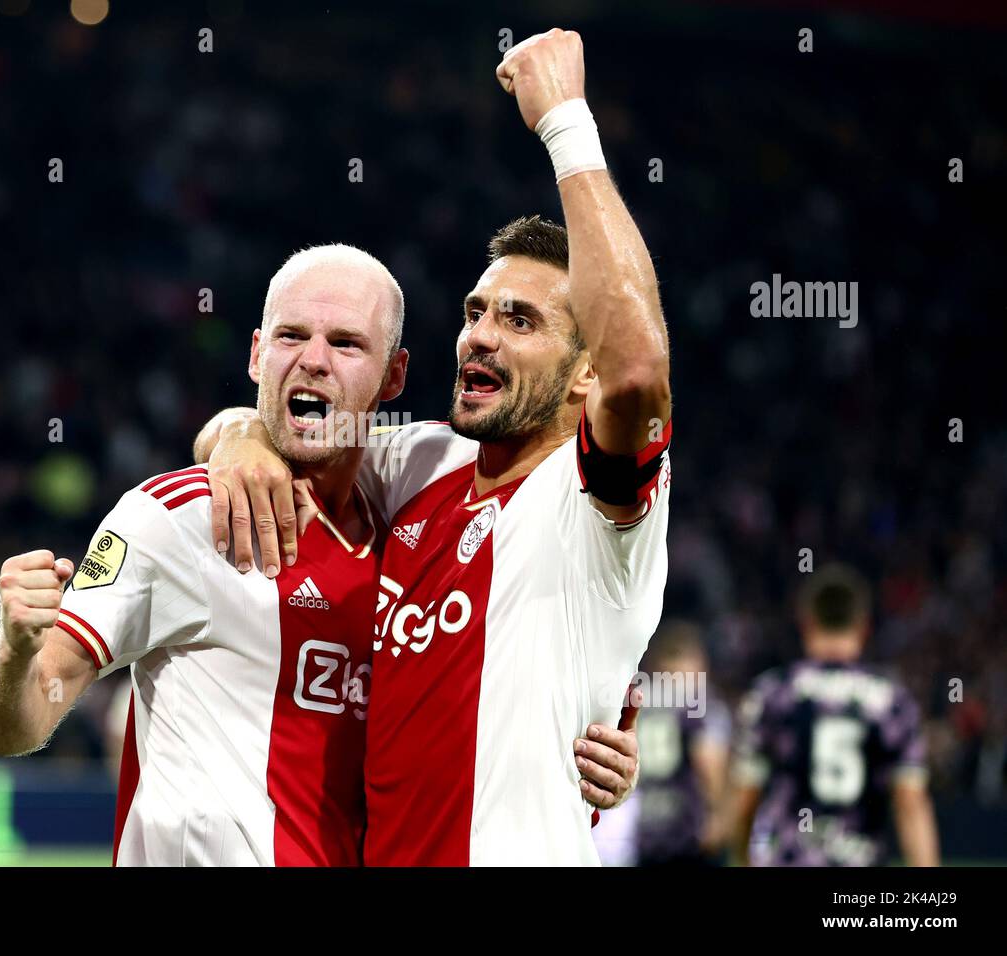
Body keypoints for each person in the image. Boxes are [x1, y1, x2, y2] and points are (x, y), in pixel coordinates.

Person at [0, 244, 635, 866]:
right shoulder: (178, 520)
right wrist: (14, 650)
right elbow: (16, 724)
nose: (313, 360)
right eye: (291, 337)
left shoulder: (410, 525)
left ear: (393, 376)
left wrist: (590, 737)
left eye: (346, 344)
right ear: (258, 355)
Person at [199, 27, 671, 864]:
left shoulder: (596, 504)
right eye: (475, 312)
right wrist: (239, 436)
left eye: (519, 321)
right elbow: (295, 423)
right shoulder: (421, 463)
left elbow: (637, 371)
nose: (479, 338)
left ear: (581, 378)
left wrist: (566, 121)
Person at [729, 564, 940, 866]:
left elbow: (745, 797)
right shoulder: (893, 701)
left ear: (806, 623)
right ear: (864, 627)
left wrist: (740, 858)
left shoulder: (772, 694)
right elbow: (911, 803)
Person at [631, 621, 730, 866]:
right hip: (691, 830)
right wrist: (718, 814)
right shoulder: (698, 703)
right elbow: (707, 759)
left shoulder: (641, 704)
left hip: (648, 827)